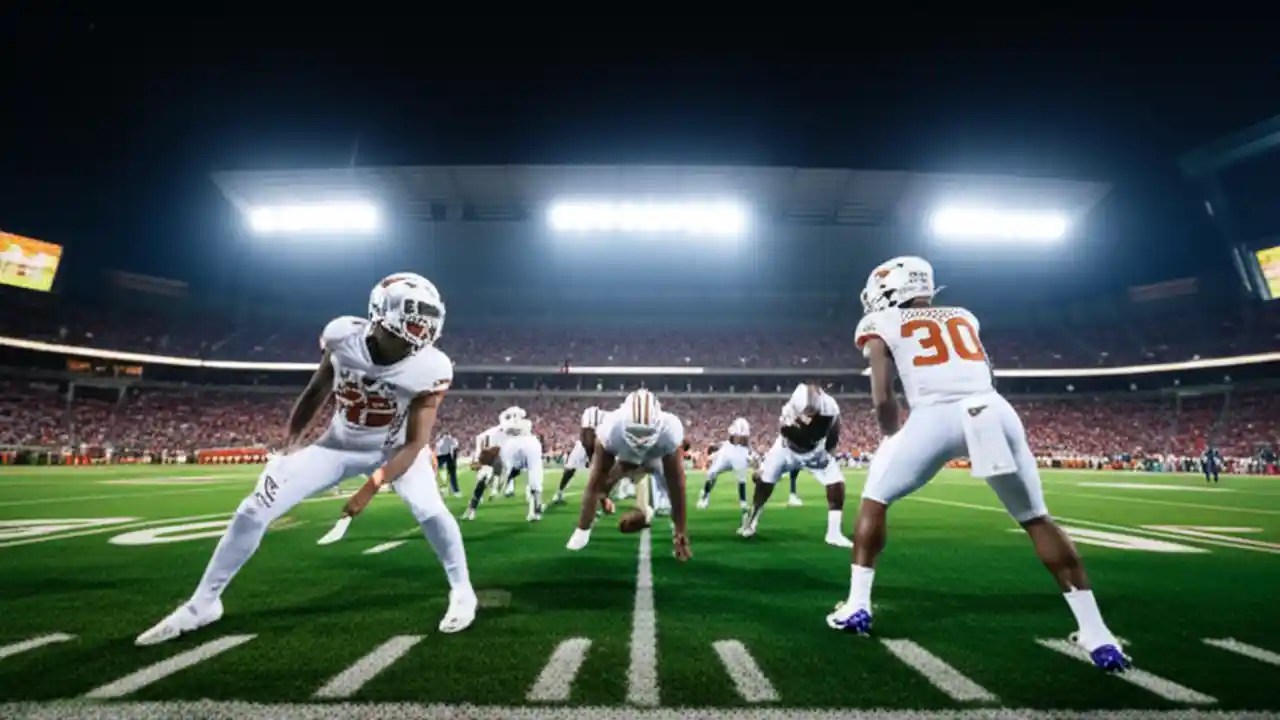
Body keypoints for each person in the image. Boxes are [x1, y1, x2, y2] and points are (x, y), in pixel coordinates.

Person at [136, 272, 477, 645]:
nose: (411, 343)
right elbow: (316, 392)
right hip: (336, 446)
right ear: (379, 318)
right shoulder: (342, 336)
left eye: (421, 332)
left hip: (395, 451)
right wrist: (290, 444)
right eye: (402, 332)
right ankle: (204, 604)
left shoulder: (432, 367)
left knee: (431, 511)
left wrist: (372, 486)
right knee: (252, 510)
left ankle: (462, 591)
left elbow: (415, 444)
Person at [826, 256, 1128, 672]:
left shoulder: (879, 323)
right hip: (990, 409)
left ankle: (858, 605)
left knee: (875, 500)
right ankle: (1098, 635)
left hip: (932, 415)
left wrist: (891, 433)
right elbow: (984, 371)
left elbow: (882, 397)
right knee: (1037, 519)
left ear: (889, 288)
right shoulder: (964, 316)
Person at [566, 390, 691, 561]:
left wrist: (681, 531)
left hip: (655, 457)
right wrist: (584, 526)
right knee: (601, 483)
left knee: (670, 489)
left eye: (645, 434)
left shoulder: (670, 431)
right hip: (625, 458)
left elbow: (677, 485)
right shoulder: (610, 429)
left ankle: (671, 525)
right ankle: (582, 532)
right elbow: (597, 480)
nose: (640, 440)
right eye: (636, 433)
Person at [739, 383, 851, 548]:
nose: (811, 415)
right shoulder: (789, 410)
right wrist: (807, 431)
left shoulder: (829, 407)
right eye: (808, 412)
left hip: (815, 451)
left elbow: (834, 427)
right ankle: (752, 519)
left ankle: (834, 533)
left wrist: (831, 449)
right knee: (764, 484)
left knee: (837, 483)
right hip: (786, 449)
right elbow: (791, 434)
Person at [553, 405, 606, 504]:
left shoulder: (602, 418)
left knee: (604, 470)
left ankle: (606, 494)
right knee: (570, 469)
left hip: (598, 443)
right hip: (585, 445)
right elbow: (586, 435)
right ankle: (559, 492)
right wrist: (591, 458)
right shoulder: (591, 419)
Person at [698, 417, 752, 509]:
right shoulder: (728, 445)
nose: (740, 439)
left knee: (741, 478)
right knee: (712, 473)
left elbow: (746, 445)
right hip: (727, 452)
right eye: (738, 436)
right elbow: (727, 445)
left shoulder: (744, 445)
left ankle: (743, 502)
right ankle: (705, 496)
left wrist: (749, 455)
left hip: (740, 453)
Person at [435, 431, 460, 496]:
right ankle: (454, 490)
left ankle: (454, 490)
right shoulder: (451, 440)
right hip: (445, 456)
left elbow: (455, 447)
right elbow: (456, 447)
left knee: (452, 473)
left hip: (445, 456)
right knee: (452, 473)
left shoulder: (443, 440)